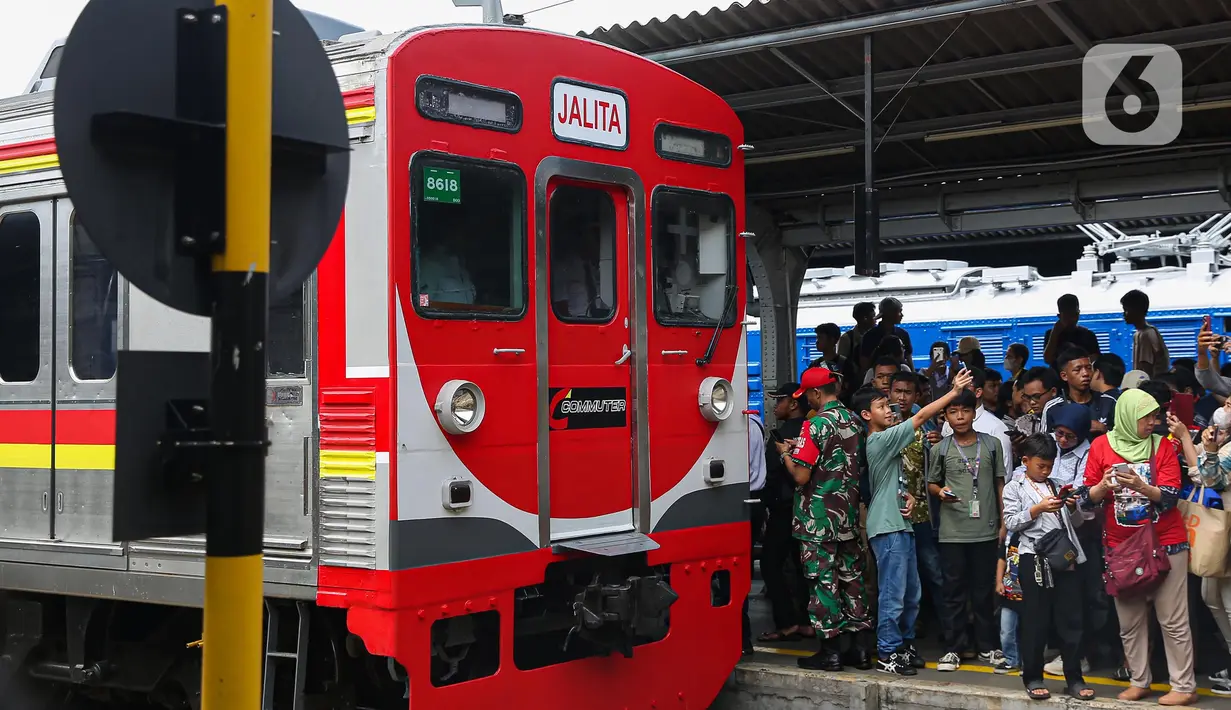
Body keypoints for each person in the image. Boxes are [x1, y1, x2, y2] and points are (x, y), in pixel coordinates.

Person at [1081, 390, 1197, 706]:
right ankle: (1138, 680)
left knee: (1172, 618)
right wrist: (1103, 487)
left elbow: (1172, 495)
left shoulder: (1161, 446)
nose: (1153, 422)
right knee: (1130, 620)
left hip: (1167, 542)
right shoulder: (1101, 446)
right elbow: (1084, 498)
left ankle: (1183, 685)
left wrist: (1142, 487)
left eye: (1155, 416)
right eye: (1146, 417)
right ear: (1129, 417)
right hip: (1121, 546)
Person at [859, 368, 974, 675]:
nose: (890, 409)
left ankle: (904, 645)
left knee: (911, 594)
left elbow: (892, 480)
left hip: (901, 524)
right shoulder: (878, 440)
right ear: (866, 416)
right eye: (883, 407)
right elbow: (922, 416)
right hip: (888, 528)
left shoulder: (888, 441)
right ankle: (887, 652)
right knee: (893, 594)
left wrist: (907, 496)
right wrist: (953, 391)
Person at [776, 368, 871, 671]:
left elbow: (802, 475)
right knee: (852, 580)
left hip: (818, 521)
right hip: (847, 516)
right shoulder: (854, 420)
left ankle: (830, 651)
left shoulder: (814, 424)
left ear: (816, 394)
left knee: (822, 584)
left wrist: (786, 455)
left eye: (806, 396)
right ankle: (860, 650)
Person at [1003, 433, 1094, 701]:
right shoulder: (1015, 487)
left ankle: (1074, 678)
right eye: (1040, 465)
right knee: (1036, 619)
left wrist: (1073, 507)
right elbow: (1010, 522)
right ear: (1026, 461)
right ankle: (1032, 676)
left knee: (1071, 619)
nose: (1045, 470)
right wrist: (1037, 509)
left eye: (1049, 465)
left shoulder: (1056, 485)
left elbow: (1075, 524)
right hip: (1034, 557)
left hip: (1064, 558)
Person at [928, 390, 1007, 673]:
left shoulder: (992, 444)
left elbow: (1000, 486)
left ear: (975, 412)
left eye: (965, 411)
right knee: (954, 592)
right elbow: (931, 483)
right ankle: (954, 648)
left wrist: (1003, 523)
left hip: (985, 530)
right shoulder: (941, 449)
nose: (959, 417)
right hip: (952, 532)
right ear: (945, 416)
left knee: (985, 591)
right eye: (953, 412)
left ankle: (988, 646)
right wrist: (940, 492)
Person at [756, 384, 813, 644]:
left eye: (779, 400)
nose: (774, 405)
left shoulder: (782, 436)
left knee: (770, 565)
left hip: (783, 509)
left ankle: (787, 623)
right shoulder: (812, 430)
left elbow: (773, 475)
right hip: (807, 509)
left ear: (793, 404)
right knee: (802, 568)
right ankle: (806, 622)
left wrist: (766, 504)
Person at [889, 372, 945, 626]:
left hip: (922, 511)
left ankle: (945, 628)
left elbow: (940, 464)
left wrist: (939, 446)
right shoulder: (882, 419)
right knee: (896, 575)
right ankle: (903, 630)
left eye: (907, 392)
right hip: (891, 513)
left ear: (916, 395)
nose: (901, 397)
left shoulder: (927, 424)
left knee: (932, 570)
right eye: (897, 391)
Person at [1183, 403, 1231, 695]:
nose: (1224, 406)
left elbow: (1209, 478)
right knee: (1210, 595)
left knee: (1225, 599)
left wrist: (1206, 450)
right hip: (1220, 529)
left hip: (1226, 530)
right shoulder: (1223, 441)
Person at [940, 367, 1014, 474]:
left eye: (962, 387)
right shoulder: (948, 424)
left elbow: (1004, 472)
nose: (955, 391)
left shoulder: (996, 428)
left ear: (978, 392)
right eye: (953, 386)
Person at [742, 408, 768, 655]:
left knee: (738, 570)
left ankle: (742, 637)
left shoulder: (742, 426)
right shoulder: (756, 422)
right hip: (754, 499)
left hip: (743, 499)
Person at [1057, 347, 1116, 435]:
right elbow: (1045, 444)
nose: (1085, 373)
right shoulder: (1054, 407)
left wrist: (1105, 430)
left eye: (1088, 368)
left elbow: (1122, 440)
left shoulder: (1109, 402)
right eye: (1078, 370)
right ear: (1064, 376)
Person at [1121, 289, 1170, 378]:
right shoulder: (1140, 333)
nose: (1124, 314)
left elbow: (1145, 369)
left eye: (1126, 310)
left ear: (1136, 311)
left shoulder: (1146, 334)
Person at [1043, 294, 1101, 367]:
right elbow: (1047, 359)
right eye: (1068, 315)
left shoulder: (1088, 334)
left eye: (1075, 314)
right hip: (1057, 377)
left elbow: (1096, 358)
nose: (1072, 319)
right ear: (1059, 316)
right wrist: (1055, 334)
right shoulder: (1051, 334)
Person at [860, 298, 913, 373]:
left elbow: (909, 358)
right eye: (899, 311)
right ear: (890, 313)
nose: (902, 315)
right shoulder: (869, 336)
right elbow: (865, 364)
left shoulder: (903, 334)